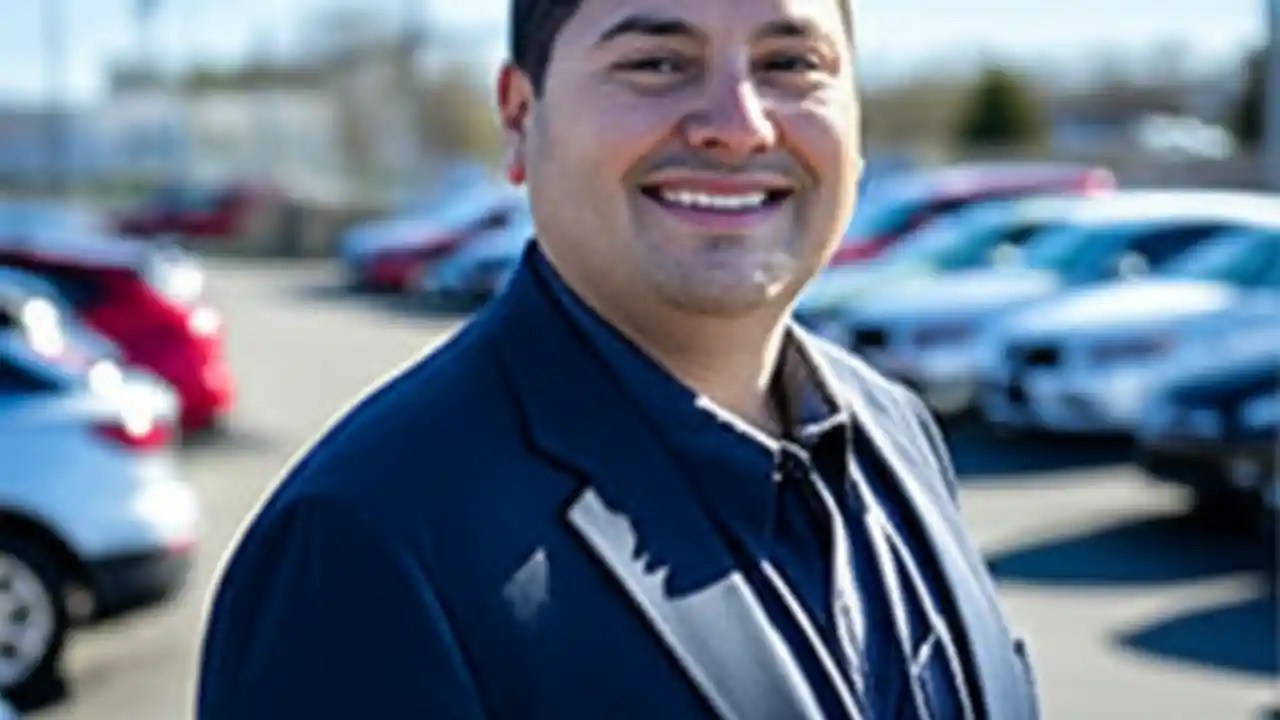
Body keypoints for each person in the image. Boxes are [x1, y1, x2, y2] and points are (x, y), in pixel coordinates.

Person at [197, 0, 1040, 717]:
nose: (739, 126)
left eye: (790, 62)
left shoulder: (898, 433)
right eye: (657, 63)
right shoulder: (363, 542)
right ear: (521, 117)